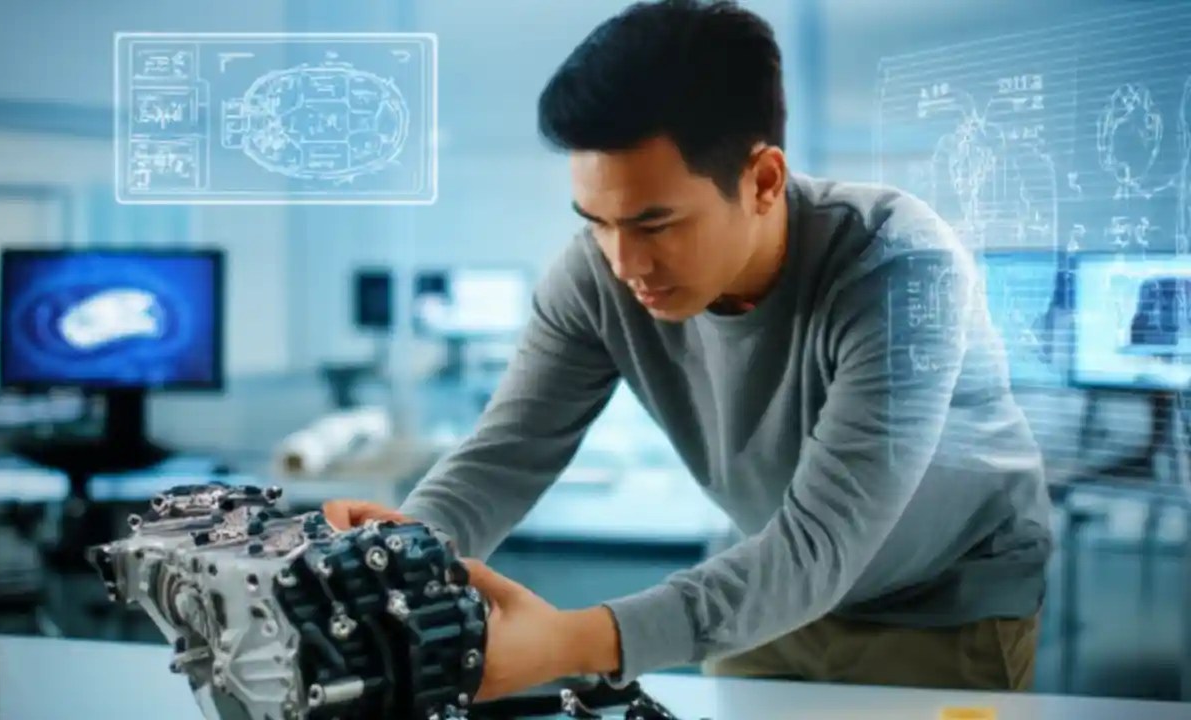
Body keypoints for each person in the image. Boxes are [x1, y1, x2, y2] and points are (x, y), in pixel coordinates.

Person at [324, 0, 1053, 702]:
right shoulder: (596, 275)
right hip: (764, 585)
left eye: (655, 224)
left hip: (942, 602)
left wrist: (568, 643)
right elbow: (504, 456)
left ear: (763, 181)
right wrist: (396, 564)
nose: (623, 262)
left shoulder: (898, 267)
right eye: (597, 221)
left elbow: (821, 546)